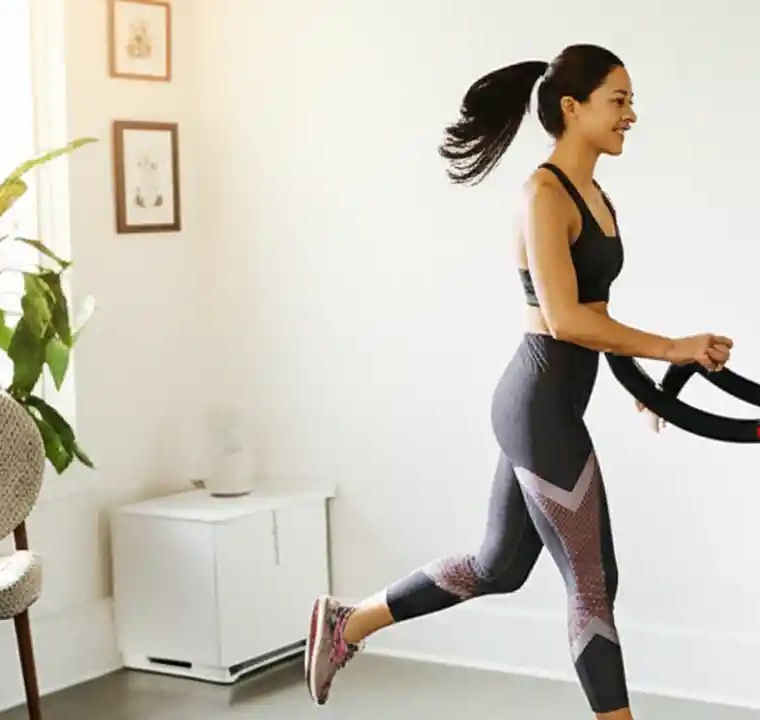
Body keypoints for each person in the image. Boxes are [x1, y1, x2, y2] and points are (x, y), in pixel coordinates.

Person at [304, 43, 733, 719]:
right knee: (593, 582)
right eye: (618, 101)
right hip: (537, 403)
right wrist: (672, 344)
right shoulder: (543, 194)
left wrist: (648, 382)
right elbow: (564, 322)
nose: (631, 116)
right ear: (574, 108)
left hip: (554, 402)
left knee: (497, 566)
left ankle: (346, 623)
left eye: (630, 102)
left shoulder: (596, 194)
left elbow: (597, 316)